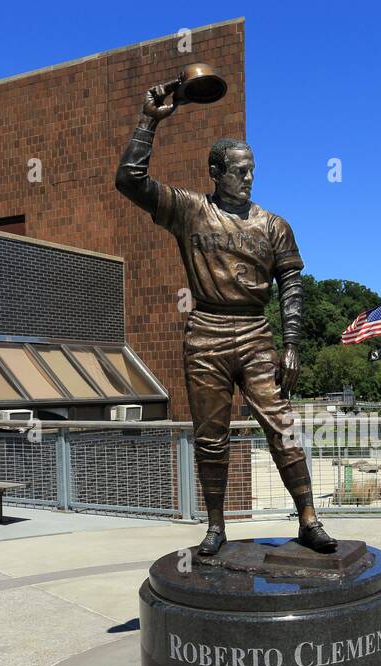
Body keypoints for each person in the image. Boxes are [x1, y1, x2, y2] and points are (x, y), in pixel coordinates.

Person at [115, 81, 336, 556]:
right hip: (207, 333)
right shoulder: (191, 211)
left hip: (256, 333)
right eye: (239, 170)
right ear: (215, 172)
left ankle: (309, 518)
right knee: (210, 438)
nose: (248, 178)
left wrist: (291, 344)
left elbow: (291, 286)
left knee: (283, 427)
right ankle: (216, 526)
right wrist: (149, 120)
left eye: (252, 170)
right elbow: (129, 181)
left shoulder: (273, 225)